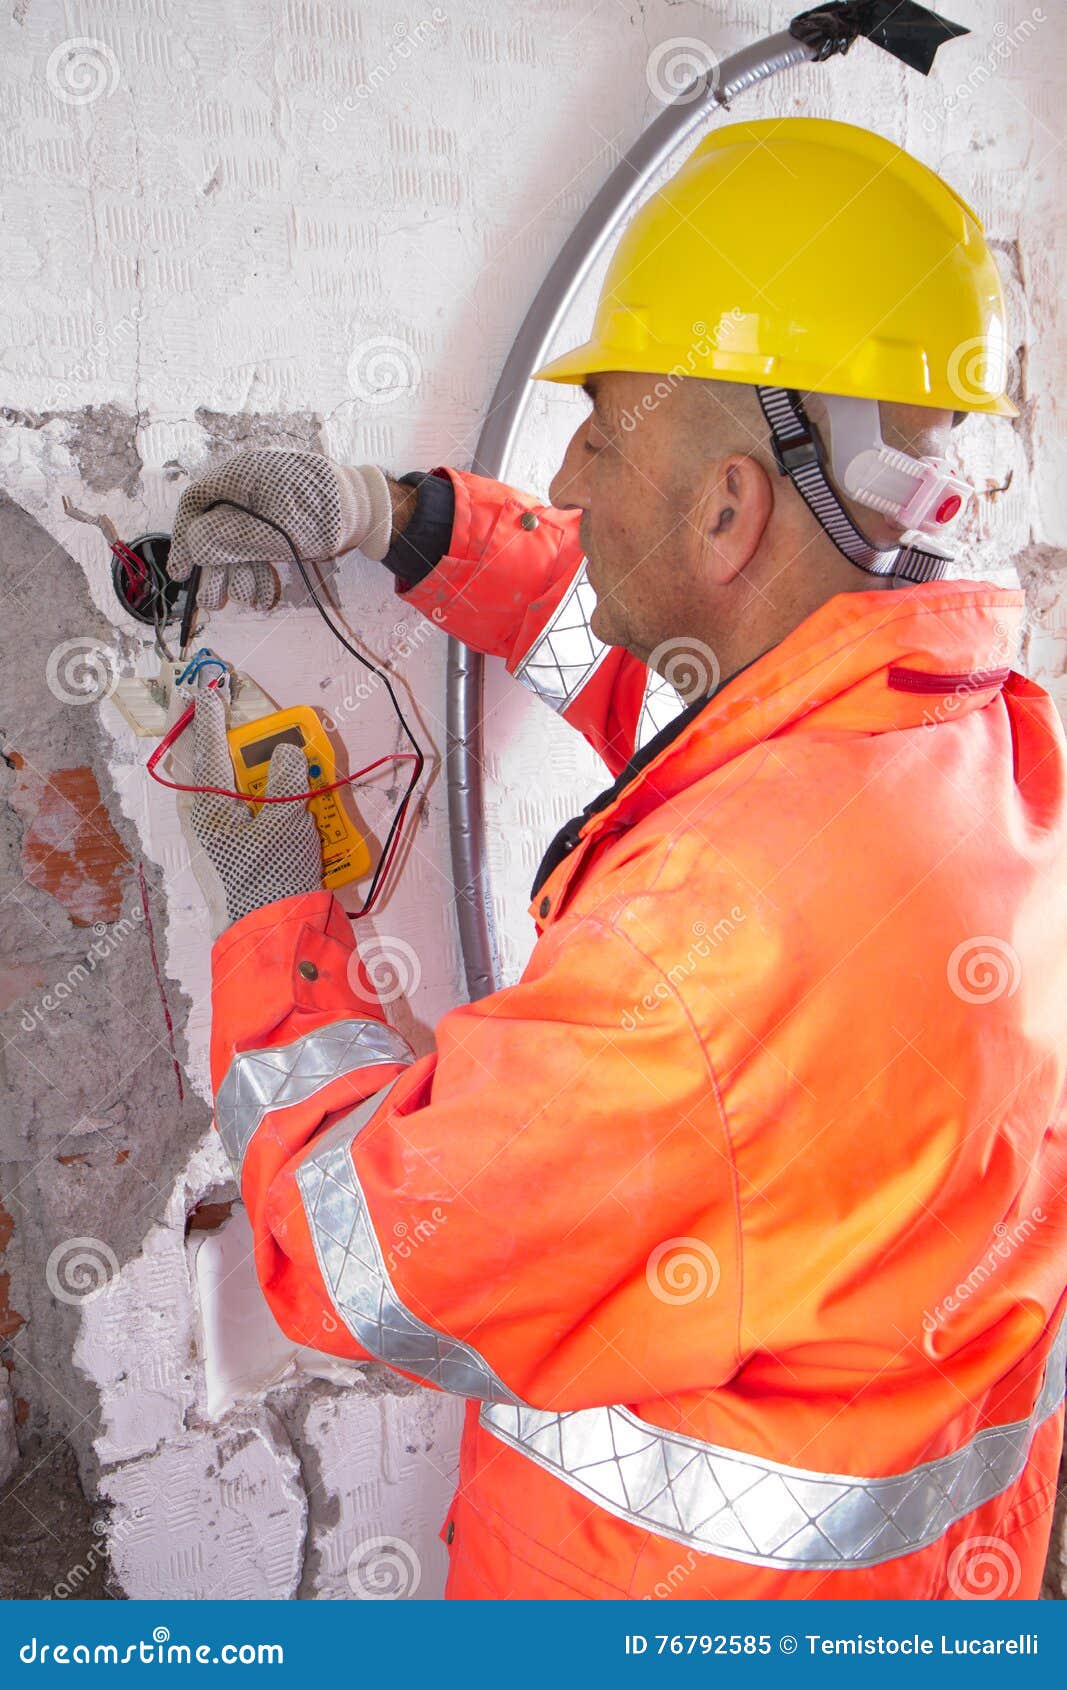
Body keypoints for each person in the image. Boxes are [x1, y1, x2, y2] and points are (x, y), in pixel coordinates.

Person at [167, 118, 1067, 1600]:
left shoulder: (699, 962)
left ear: (730, 508)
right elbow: (679, 682)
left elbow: (357, 1250)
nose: (570, 475)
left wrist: (273, 921)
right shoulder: (968, 747)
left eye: (600, 430)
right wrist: (404, 523)